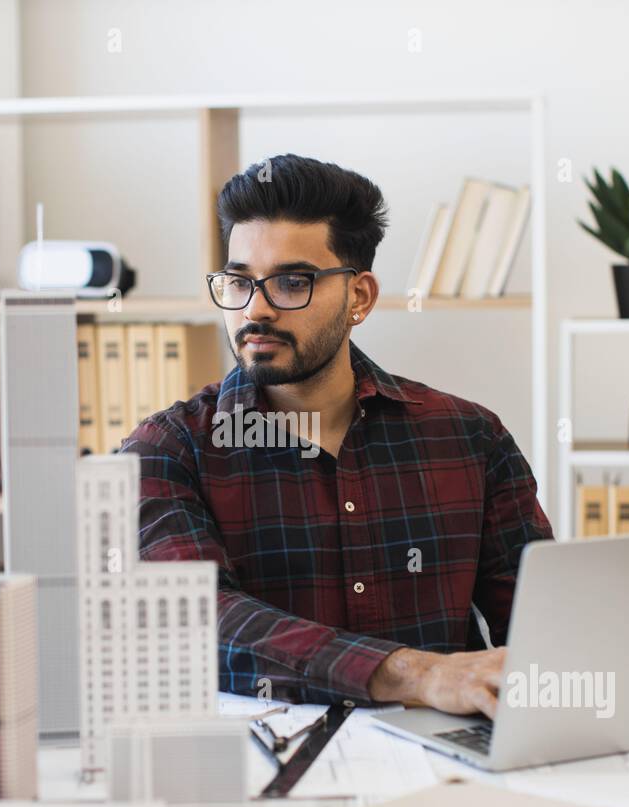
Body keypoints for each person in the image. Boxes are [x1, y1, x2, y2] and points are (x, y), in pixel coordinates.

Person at [120, 154, 553, 717]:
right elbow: (194, 620)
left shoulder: (470, 438)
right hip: (260, 770)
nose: (256, 309)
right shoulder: (167, 450)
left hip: (444, 763)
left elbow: (546, 629)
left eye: (292, 282)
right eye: (239, 281)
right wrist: (413, 671)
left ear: (360, 298)